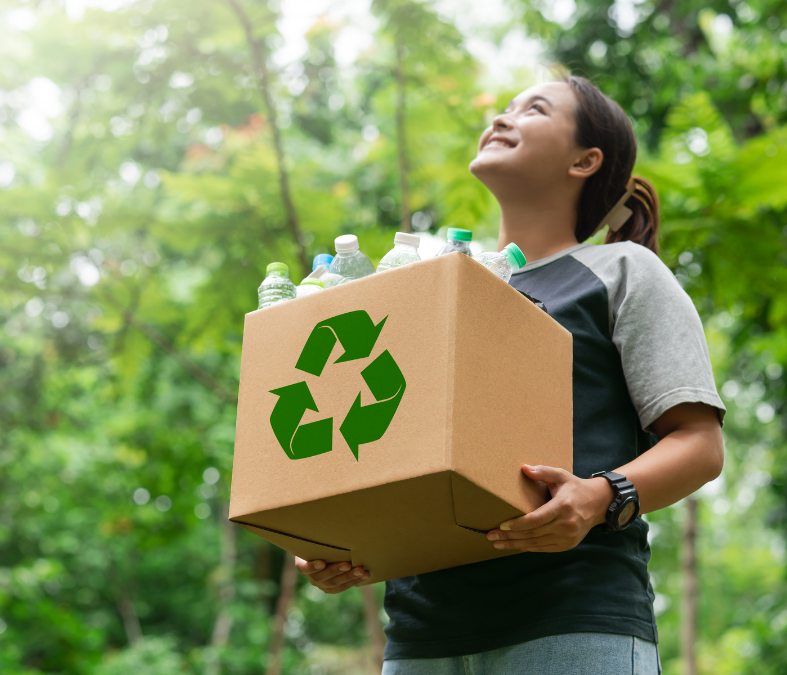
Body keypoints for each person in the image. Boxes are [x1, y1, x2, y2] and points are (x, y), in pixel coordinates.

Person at [295, 73, 727, 675]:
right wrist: (339, 540)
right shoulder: (431, 291)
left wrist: (600, 497)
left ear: (585, 159)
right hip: (421, 638)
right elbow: (388, 449)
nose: (501, 117)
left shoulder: (620, 271)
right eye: (502, 108)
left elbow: (700, 445)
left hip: (573, 622)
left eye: (534, 109)